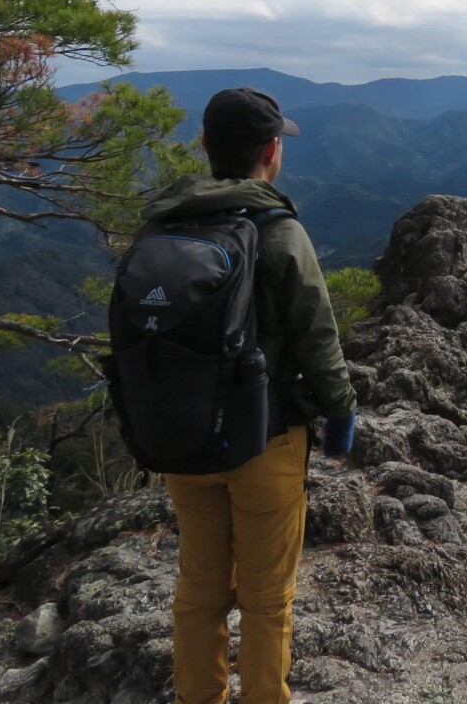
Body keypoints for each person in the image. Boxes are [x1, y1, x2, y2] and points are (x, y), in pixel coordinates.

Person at [139, 86, 357, 704]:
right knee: (266, 600)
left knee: (198, 592)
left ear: (204, 146)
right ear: (272, 151)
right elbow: (318, 333)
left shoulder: (162, 223)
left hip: (184, 438)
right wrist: (341, 410)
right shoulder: (279, 231)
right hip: (266, 440)